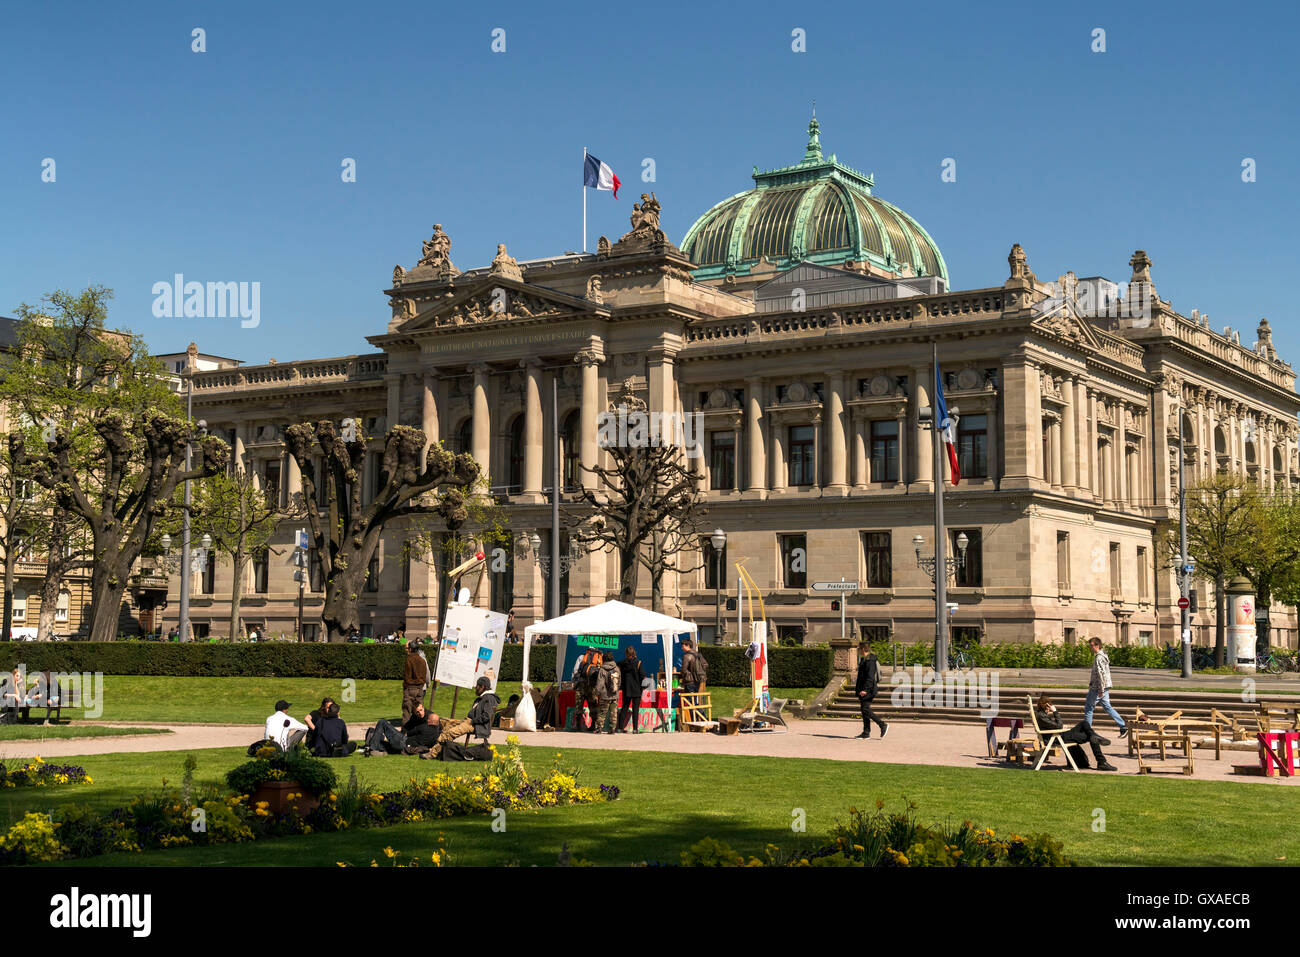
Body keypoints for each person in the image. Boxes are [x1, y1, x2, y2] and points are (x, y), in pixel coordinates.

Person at [1035, 694, 1116, 771]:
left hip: (1059, 735)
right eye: (1050, 705)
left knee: (1084, 723)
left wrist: (1061, 726)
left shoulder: (1041, 715)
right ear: (1047, 706)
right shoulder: (1042, 716)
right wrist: (1055, 712)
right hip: (1057, 738)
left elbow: (1056, 726)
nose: (1050, 708)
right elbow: (1059, 726)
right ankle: (1101, 762)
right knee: (1090, 736)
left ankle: (1093, 737)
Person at [1084, 637, 1129, 737]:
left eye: (1091, 645)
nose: (1090, 648)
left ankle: (1087, 731)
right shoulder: (1103, 656)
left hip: (1097, 688)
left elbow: (1101, 674)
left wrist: (1101, 689)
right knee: (1107, 707)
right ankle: (1123, 726)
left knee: (1088, 708)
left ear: (1097, 645)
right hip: (1104, 686)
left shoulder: (1099, 658)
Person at [854, 645, 889, 739]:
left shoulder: (870, 660)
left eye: (858, 649)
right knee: (864, 711)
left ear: (862, 649)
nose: (857, 651)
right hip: (863, 689)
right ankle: (866, 732)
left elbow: (870, 677)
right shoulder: (864, 659)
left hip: (868, 690)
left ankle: (882, 725)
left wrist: (865, 690)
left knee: (865, 709)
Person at [617, 646, 646, 732]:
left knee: (624, 708)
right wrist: (643, 687)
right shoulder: (638, 663)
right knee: (635, 709)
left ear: (626, 653)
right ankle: (635, 729)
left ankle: (620, 728)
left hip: (626, 689)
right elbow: (642, 676)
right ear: (634, 653)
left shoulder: (621, 663)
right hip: (636, 689)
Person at [592, 651, 621, 733]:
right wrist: (616, 689)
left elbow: (600, 683)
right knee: (613, 712)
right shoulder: (617, 668)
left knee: (602, 712)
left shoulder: (602, 669)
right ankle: (612, 728)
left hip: (604, 695)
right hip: (615, 694)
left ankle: (599, 728)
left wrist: (597, 692)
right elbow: (619, 682)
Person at [402, 638, 429, 723]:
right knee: (420, 710)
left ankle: (405, 732)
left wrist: (405, 687)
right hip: (420, 688)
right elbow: (425, 674)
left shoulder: (409, 659)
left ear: (410, 649)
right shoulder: (422, 660)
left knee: (407, 711)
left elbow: (407, 676)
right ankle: (420, 729)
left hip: (410, 688)